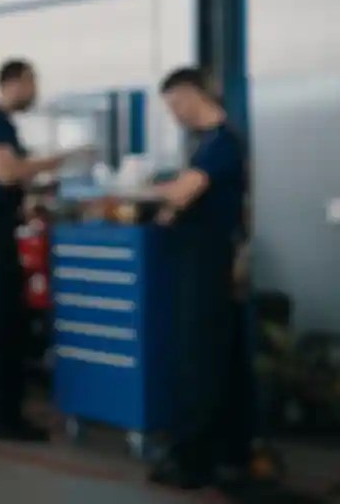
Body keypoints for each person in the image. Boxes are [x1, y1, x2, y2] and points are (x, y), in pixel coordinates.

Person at [0, 59, 82, 442]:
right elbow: (6, 173)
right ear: (15, 83)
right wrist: (59, 160)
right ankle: (2, 419)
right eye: (31, 83)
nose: (35, 92)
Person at [149, 67, 249, 490]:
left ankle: (194, 461)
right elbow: (180, 205)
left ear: (192, 96)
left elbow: (181, 194)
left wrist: (138, 190)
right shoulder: (205, 146)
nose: (174, 115)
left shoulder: (222, 143)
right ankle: (219, 451)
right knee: (209, 359)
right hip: (197, 264)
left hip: (208, 267)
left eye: (174, 105)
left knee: (200, 362)